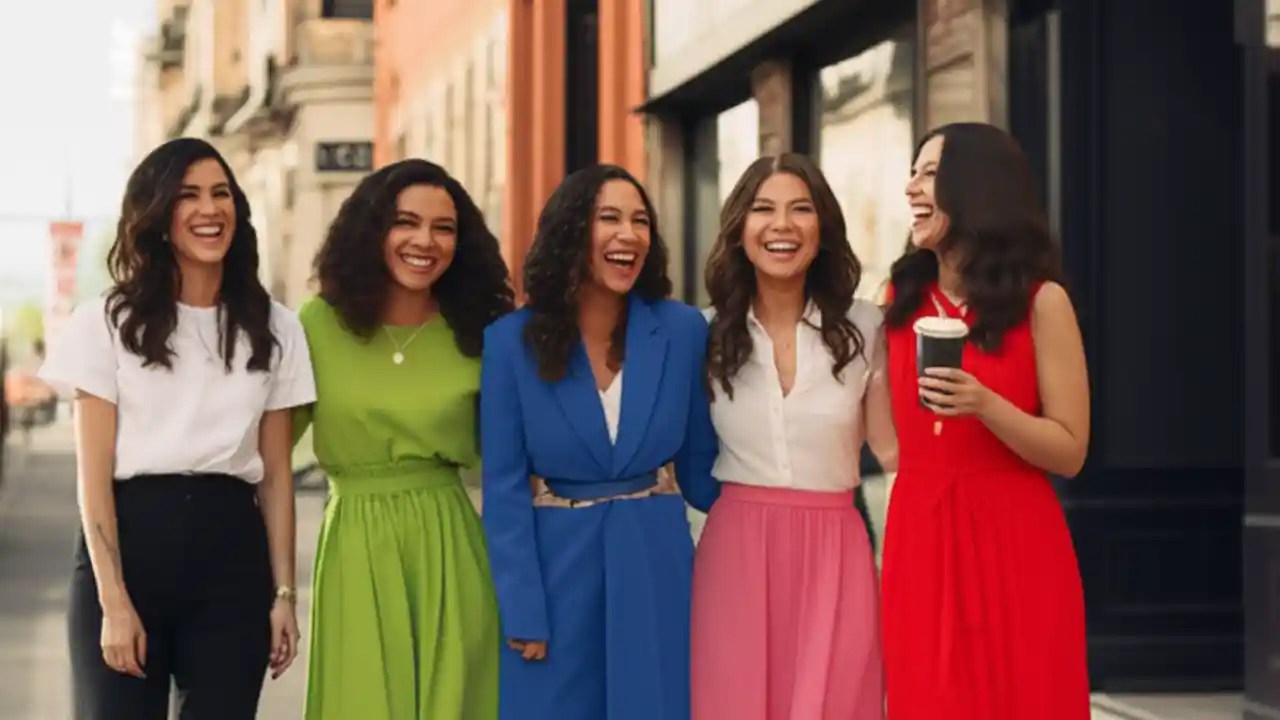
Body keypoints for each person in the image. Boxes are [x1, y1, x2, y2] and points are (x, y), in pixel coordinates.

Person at [38, 137, 315, 719]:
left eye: (220, 194)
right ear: (159, 216)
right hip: (129, 550)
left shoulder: (276, 328)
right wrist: (114, 602)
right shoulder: (106, 323)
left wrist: (285, 595)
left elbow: (276, 478)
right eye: (188, 195)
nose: (209, 209)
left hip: (232, 559)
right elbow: (93, 480)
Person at [481, 164, 720, 720]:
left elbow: (702, 468)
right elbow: (504, 487)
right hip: (555, 570)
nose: (629, 234)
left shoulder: (683, 330)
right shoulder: (510, 342)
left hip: (657, 566)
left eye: (641, 221)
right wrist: (522, 606)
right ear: (571, 231)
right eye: (609, 218)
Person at [880, 122, 1091, 719]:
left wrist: (987, 405)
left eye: (929, 174)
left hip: (1016, 539)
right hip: (920, 538)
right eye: (912, 173)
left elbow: (1071, 450)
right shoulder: (895, 300)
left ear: (976, 186)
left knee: (1027, 697)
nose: (911, 188)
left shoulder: (1041, 301)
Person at [293, 158, 513, 719]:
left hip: (450, 545)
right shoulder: (316, 325)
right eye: (406, 222)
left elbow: (518, 464)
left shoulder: (479, 333)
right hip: (354, 544)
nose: (425, 241)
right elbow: (264, 461)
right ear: (372, 230)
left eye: (444, 228)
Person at [691, 153, 895, 720]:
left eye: (800, 209)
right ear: (740, 229)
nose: (782, 224)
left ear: (822, 228)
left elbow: (894, 454)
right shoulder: (703, 333)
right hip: (734, 555)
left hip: (838, 552)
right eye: (764, 209)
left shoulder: (867, 327)